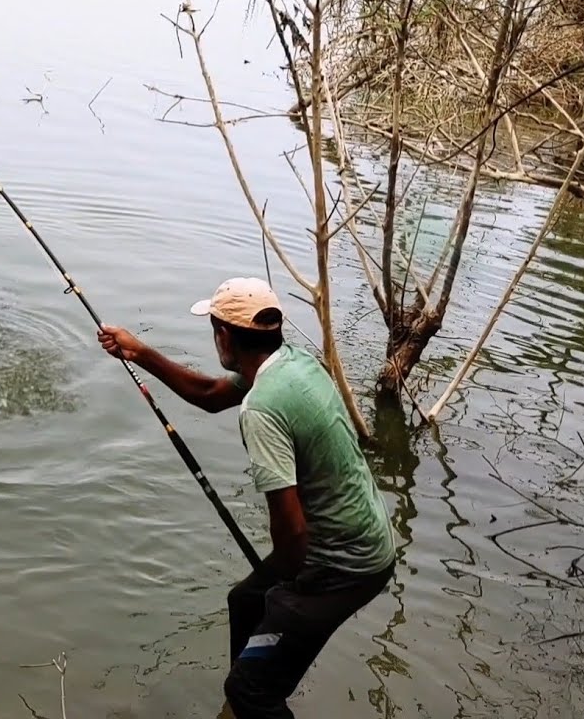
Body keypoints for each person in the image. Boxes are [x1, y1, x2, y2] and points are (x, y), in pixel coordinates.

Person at [96, 276, 396, 719]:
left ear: (224, 336)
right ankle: (250, 689)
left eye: (213, 329)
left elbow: (292, 534)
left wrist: (287, 592)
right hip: (368, 539)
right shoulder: (295, 362)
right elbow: (209, 395)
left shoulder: (262, 408)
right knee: (246, 600)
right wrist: (139, 352)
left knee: (251, 691)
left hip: (344, 565)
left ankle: (251, 695)